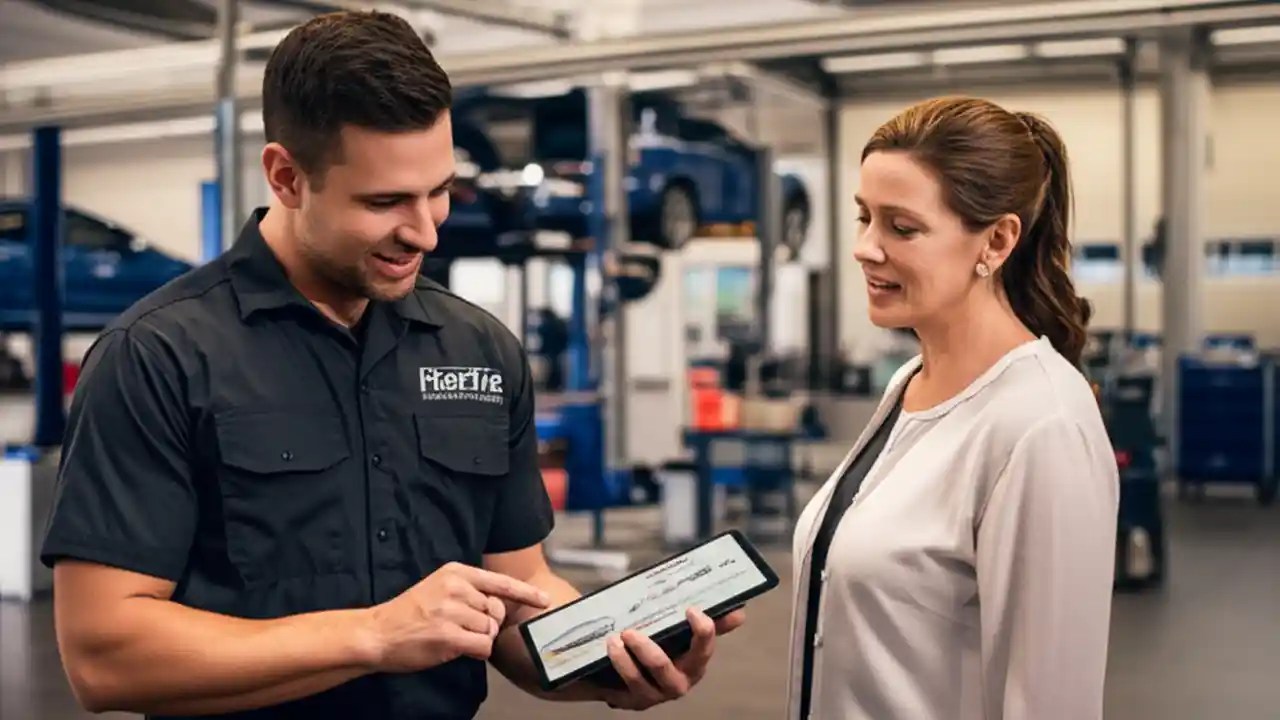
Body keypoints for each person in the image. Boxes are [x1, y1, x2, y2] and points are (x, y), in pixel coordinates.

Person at [40, 11, 743, 720]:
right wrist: (372, 635)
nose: (425, 230)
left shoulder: (480, 351)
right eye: (385, 202)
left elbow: (518, 587)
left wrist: (606, 658)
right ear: (286, 176)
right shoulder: (158, 357)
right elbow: (107, 654)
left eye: (439, 190)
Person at [788, 96, 1119, 720]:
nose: (865, 247)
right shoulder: (914, 382)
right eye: (864, 218)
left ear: (996, 241)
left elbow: (1051, 704)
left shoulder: (1040, 425)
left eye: (901, 227)